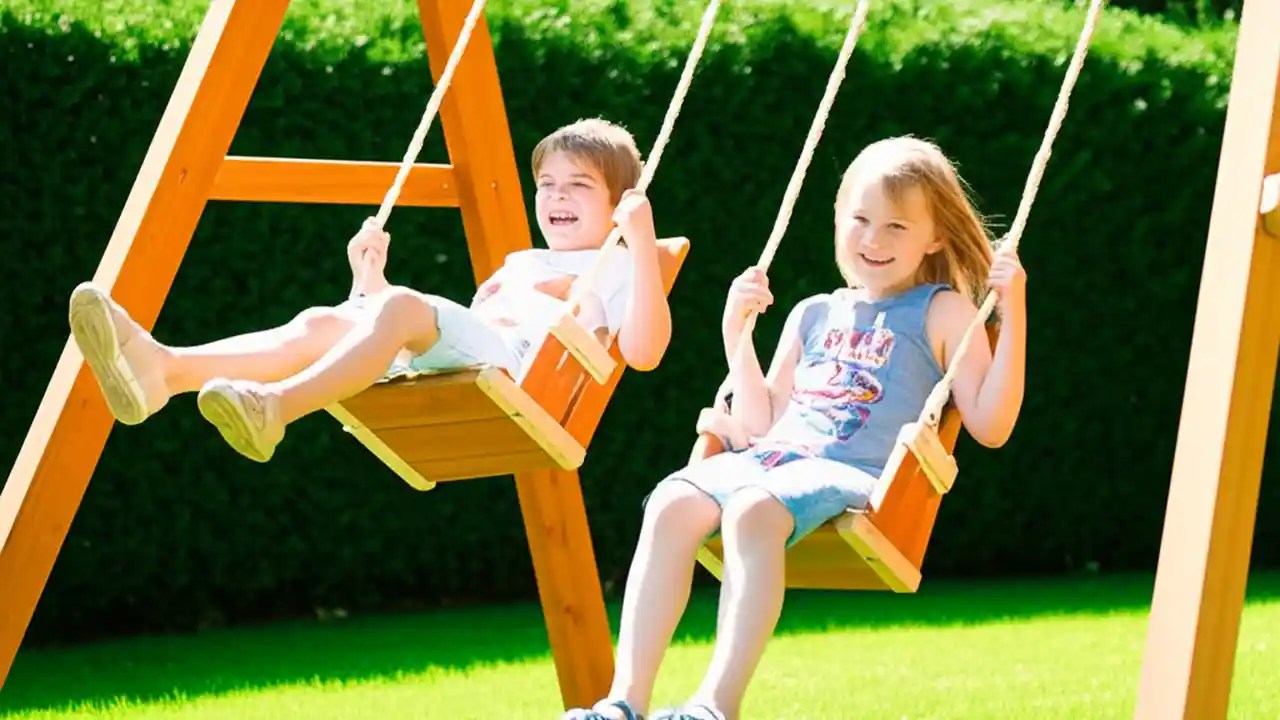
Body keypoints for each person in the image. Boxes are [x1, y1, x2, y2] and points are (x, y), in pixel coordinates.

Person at [563, 136, 1027, 720]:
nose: (872, 240)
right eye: (859, 220)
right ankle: (623, 703)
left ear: (934, 237)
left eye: (896, 228)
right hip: (776, 459)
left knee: (754, 508)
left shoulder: (942, 310)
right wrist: (737, 335)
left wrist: (1015, 311)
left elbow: (990, 424)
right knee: (670, 501)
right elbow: (762, 422)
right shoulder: (813, 312)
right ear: (839, 220)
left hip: (850, 472)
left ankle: (715, 705)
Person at [67, 118, 673, 463]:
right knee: (322, 322)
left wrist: (642, 243)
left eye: (579, 186)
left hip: (518, 370)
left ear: (620, 204)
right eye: (546, 184)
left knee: (403, 305)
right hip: (473, 350)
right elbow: (440, 333)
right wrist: (371, 285)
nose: (557, 196)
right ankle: (163, 371)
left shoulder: (617, 264)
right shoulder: (520, 260)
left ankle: (274, 408)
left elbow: (644, 352)